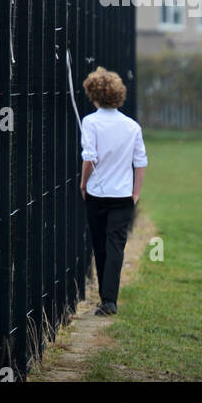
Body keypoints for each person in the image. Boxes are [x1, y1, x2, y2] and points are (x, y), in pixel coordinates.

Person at [79, 66, 148, 316]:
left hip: (97, 194)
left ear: (94, 93)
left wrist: (83, 183)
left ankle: (105, 298)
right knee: (116, 245)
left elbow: (90, 159)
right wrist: (136, 193)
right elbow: (140, 162)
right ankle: (110, 300)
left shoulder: (90, 122)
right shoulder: (132, 127)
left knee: (100, 245)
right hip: (123, 195)